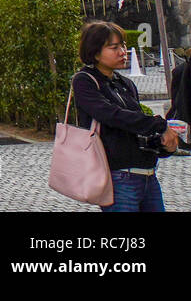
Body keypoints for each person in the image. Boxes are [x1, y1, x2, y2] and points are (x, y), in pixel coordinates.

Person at [73, 20, 178, 212]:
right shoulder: (85, 81)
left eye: (123, 45)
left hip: (148, 176)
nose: (122, 51)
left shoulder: (126, 84)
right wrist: (158, 125)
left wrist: (164, 144)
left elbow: (135, 130)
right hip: (119, 179)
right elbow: (113, 115)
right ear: (95, 52)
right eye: (114, 47)